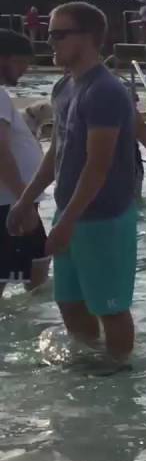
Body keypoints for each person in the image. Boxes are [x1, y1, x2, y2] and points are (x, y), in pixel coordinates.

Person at [5, 2, 139, 361]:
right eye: (48, 34)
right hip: (70, 211)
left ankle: (120, 374)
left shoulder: (105, 92)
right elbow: (57, 153)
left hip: (103, 217)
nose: (49, 41)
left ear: (90, 37)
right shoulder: (64, 87)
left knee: (110, 307)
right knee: (69, 302)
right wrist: (27, 199)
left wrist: (67, 222)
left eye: (59, 34)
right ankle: (91, 367)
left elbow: (98, 165)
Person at [0, 31, 49, 295]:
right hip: (11, 203)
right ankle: (37, 332)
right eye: (21, 61)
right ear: (4, 58)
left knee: (34, 273)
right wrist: (24, 201)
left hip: (12, 202)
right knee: (37, 280)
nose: (25, 69)